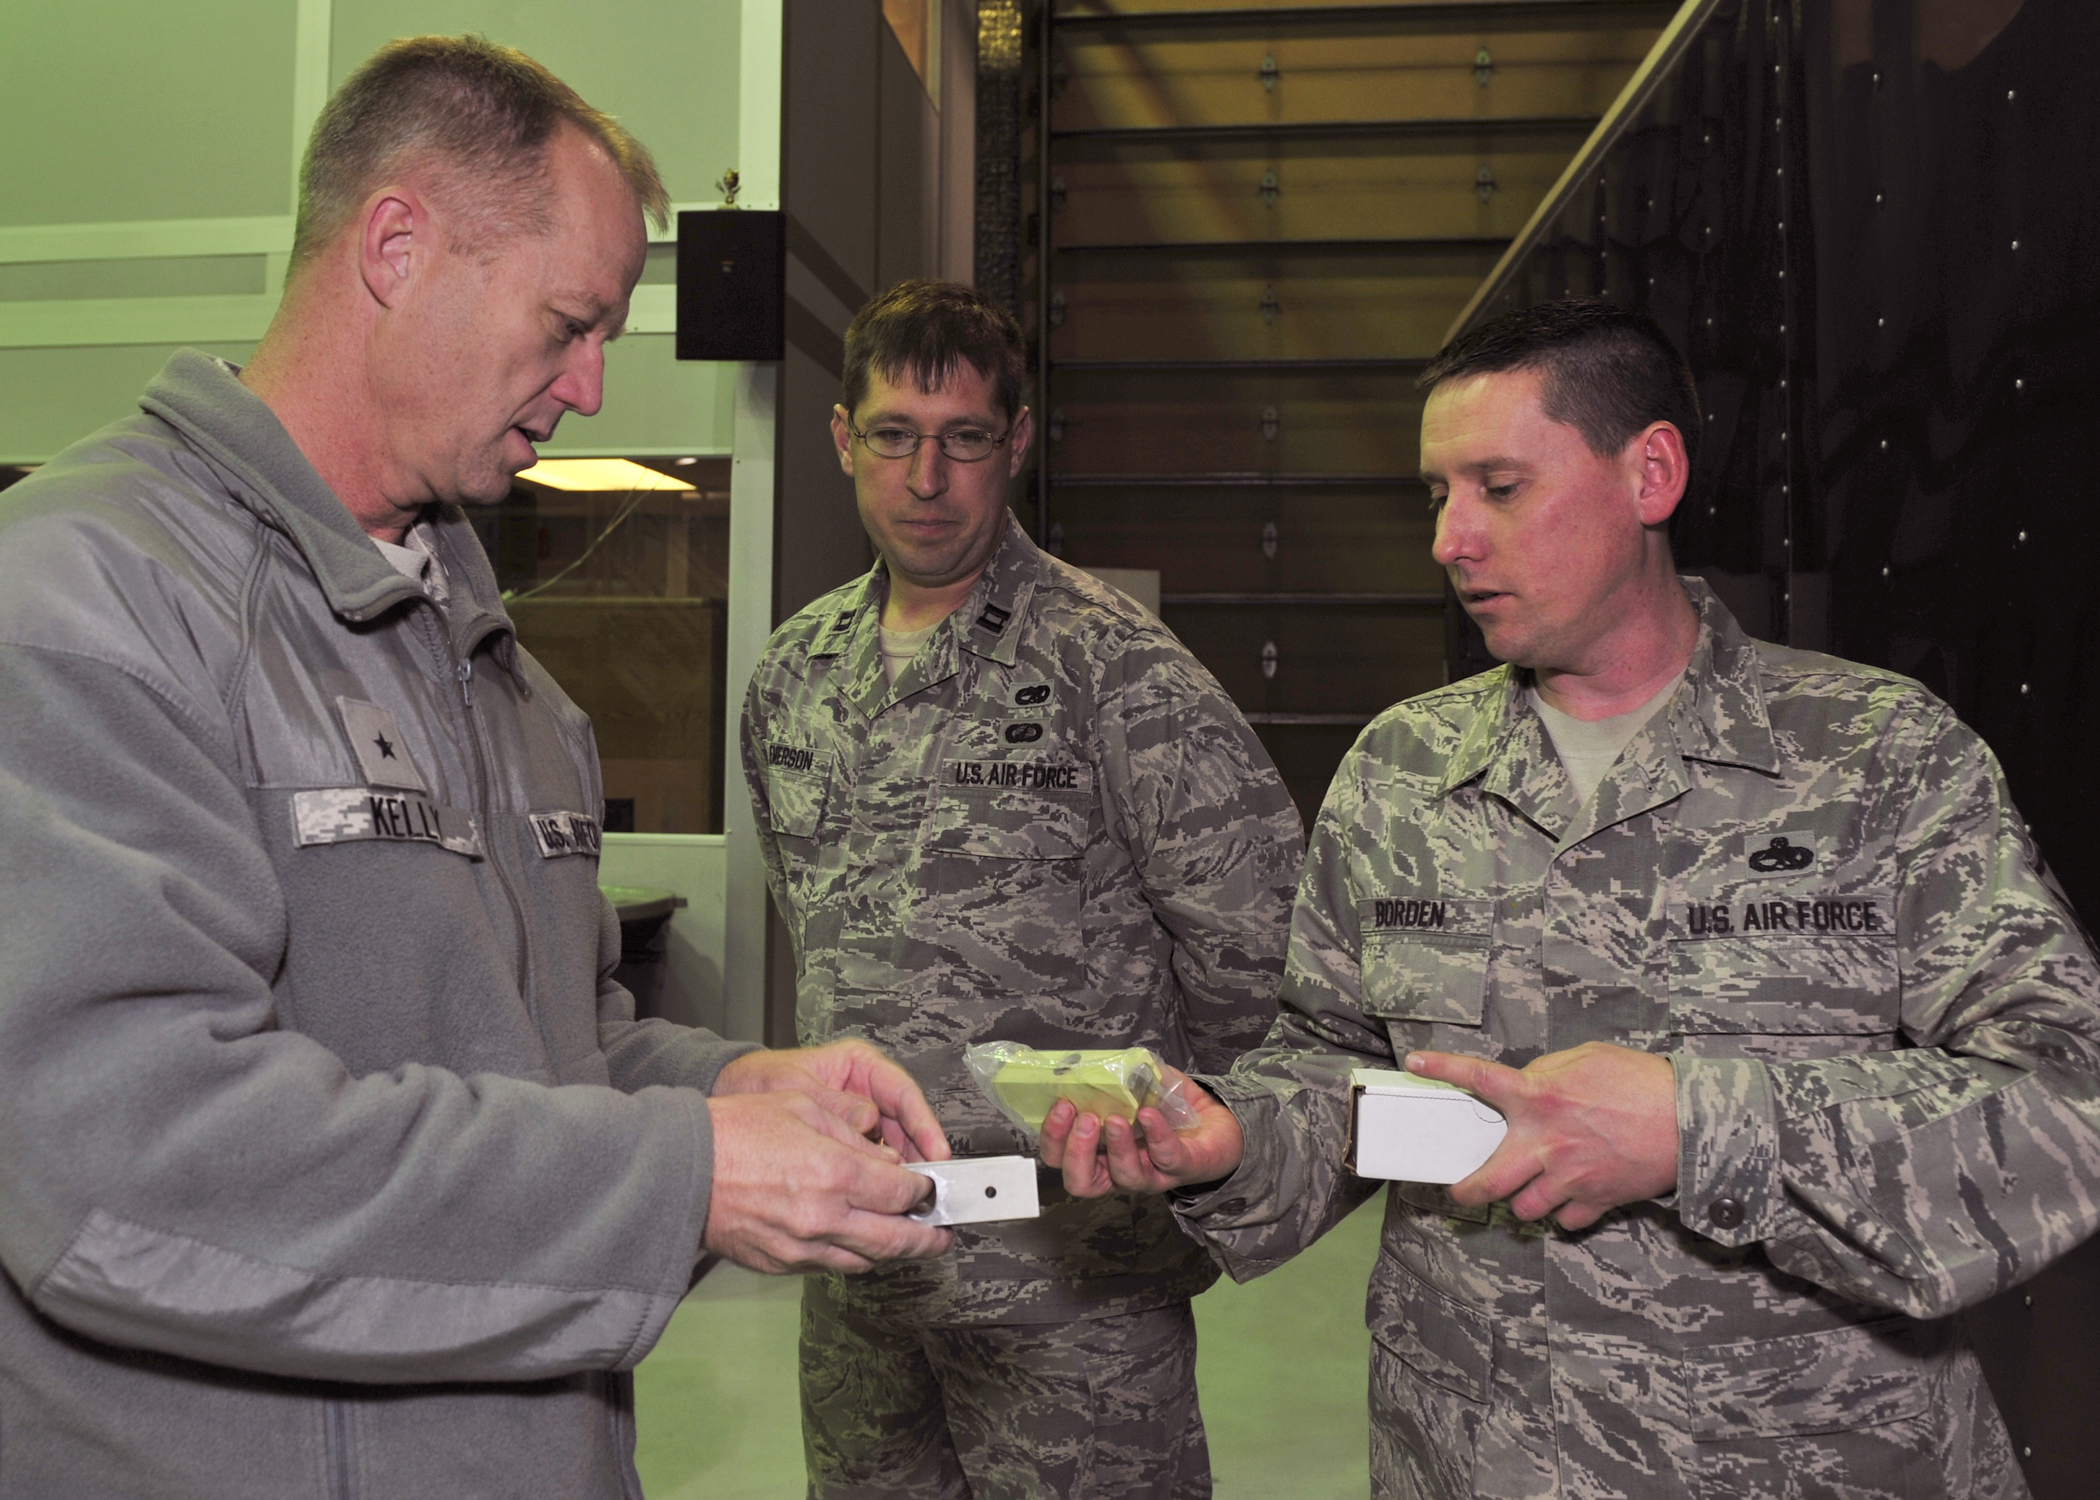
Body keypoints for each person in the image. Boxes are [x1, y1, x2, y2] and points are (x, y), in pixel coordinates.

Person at [0, 37, 952, 1499]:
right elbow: (129, 1160)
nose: (586, 389)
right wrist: (684, 1174)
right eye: (570, 324)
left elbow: (539, 1049)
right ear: (396, 246)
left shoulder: (498, 673)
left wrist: (742, 1088)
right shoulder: (88, 599)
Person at [1042, 299, 2100, 1498]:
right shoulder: (1404, 772)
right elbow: (1339, 1073)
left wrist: (1697, 1129)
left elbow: (2066, 1097)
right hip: (1474, 1460)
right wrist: (1234, 1143)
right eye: (1436, 495)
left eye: (1499, 487)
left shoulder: (1877, 757)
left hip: (1817, 1462)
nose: (1450, 539)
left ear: (1649, 474)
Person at [741, 279, 1304, 1498]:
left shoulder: (1117, 670)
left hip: (1074, 1289)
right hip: (865, 1261)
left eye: (964, 439)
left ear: (1019, 442)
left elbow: (1255, 956)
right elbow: (816, 922)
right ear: (844, 439)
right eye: (892, 435)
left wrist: (1174, 1153)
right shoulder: (792, 676)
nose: (926, 477)